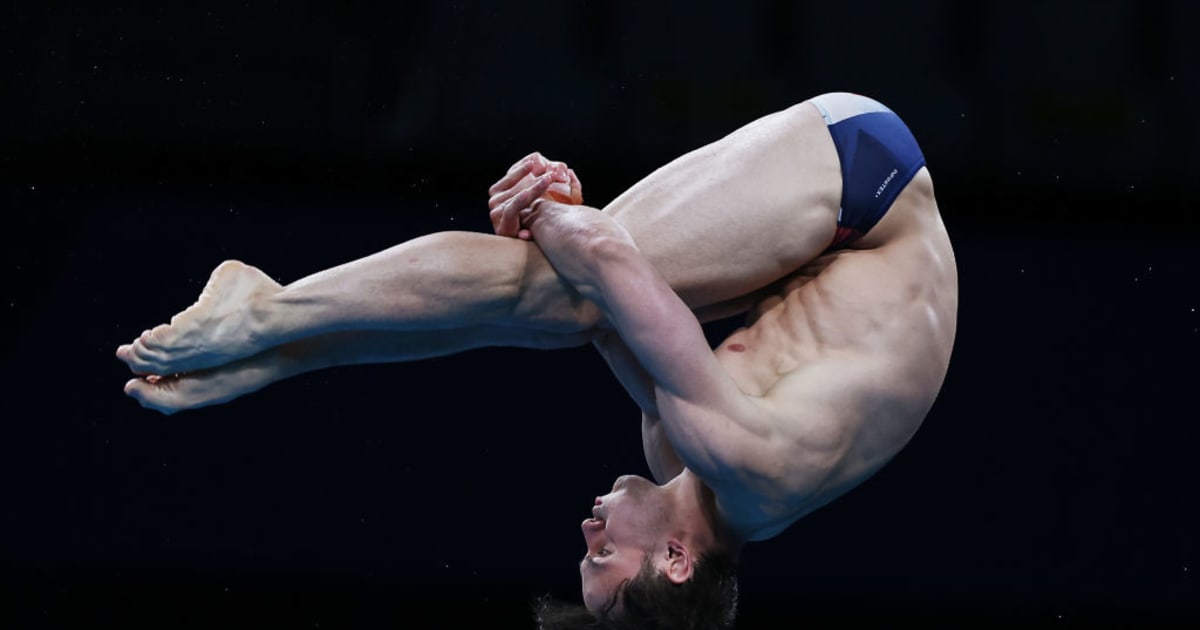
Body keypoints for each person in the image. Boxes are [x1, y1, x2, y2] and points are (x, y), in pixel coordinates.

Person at [116, 93, 958, 629]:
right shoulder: (745, 461)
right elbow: (606, 263)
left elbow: (599, 313)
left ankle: (281, 350)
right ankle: (266, 313)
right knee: (563, 292)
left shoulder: (681, 463)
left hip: (828, 236)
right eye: (600, 554)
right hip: (866, 182)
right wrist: (551, 210)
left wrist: (560, 216)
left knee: (558, 314)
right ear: (675, 562)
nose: (587, 529)